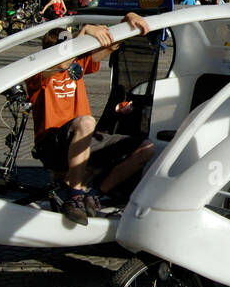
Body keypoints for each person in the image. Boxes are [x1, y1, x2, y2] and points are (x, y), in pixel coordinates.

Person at [27, 16, 155, 224]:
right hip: (52, 143)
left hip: (83, 138)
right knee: (86, 121)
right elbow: (59, 63)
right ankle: (75, 196)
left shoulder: (76, 65)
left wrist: (128, 20)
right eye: (65, 47)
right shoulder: (38, 74)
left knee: (146, 148)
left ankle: (94, 193)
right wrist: (84, 31)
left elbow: (112, 44)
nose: (70, 54)